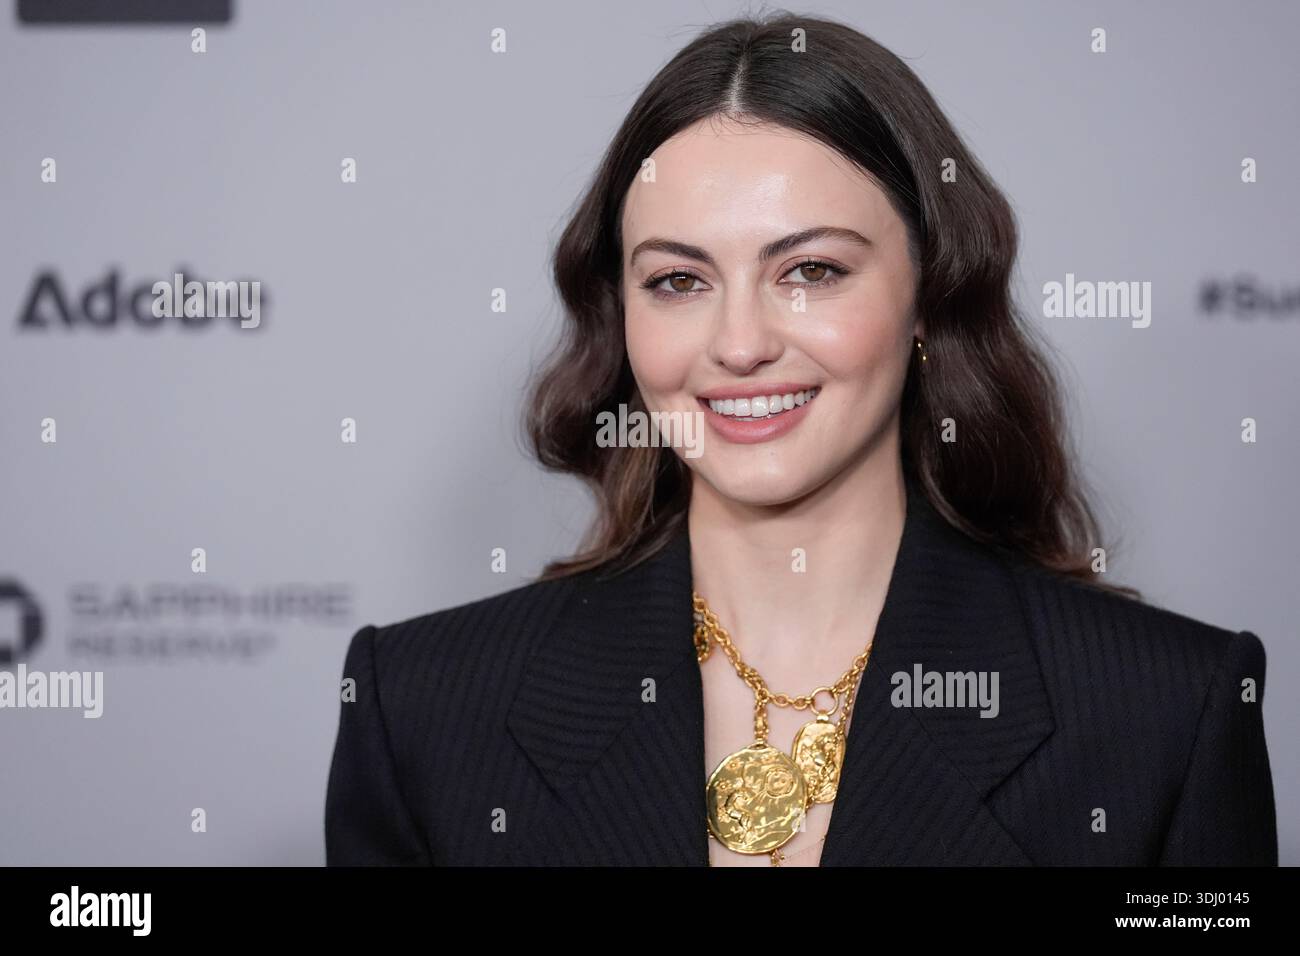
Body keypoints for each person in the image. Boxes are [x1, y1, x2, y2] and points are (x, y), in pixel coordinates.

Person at [325, 12, 1277, 866]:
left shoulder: (1162, 715)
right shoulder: (421, 712)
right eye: (678, 281)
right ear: (621, 315)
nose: (740, 345)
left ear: (927, 298)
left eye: (811, 271)